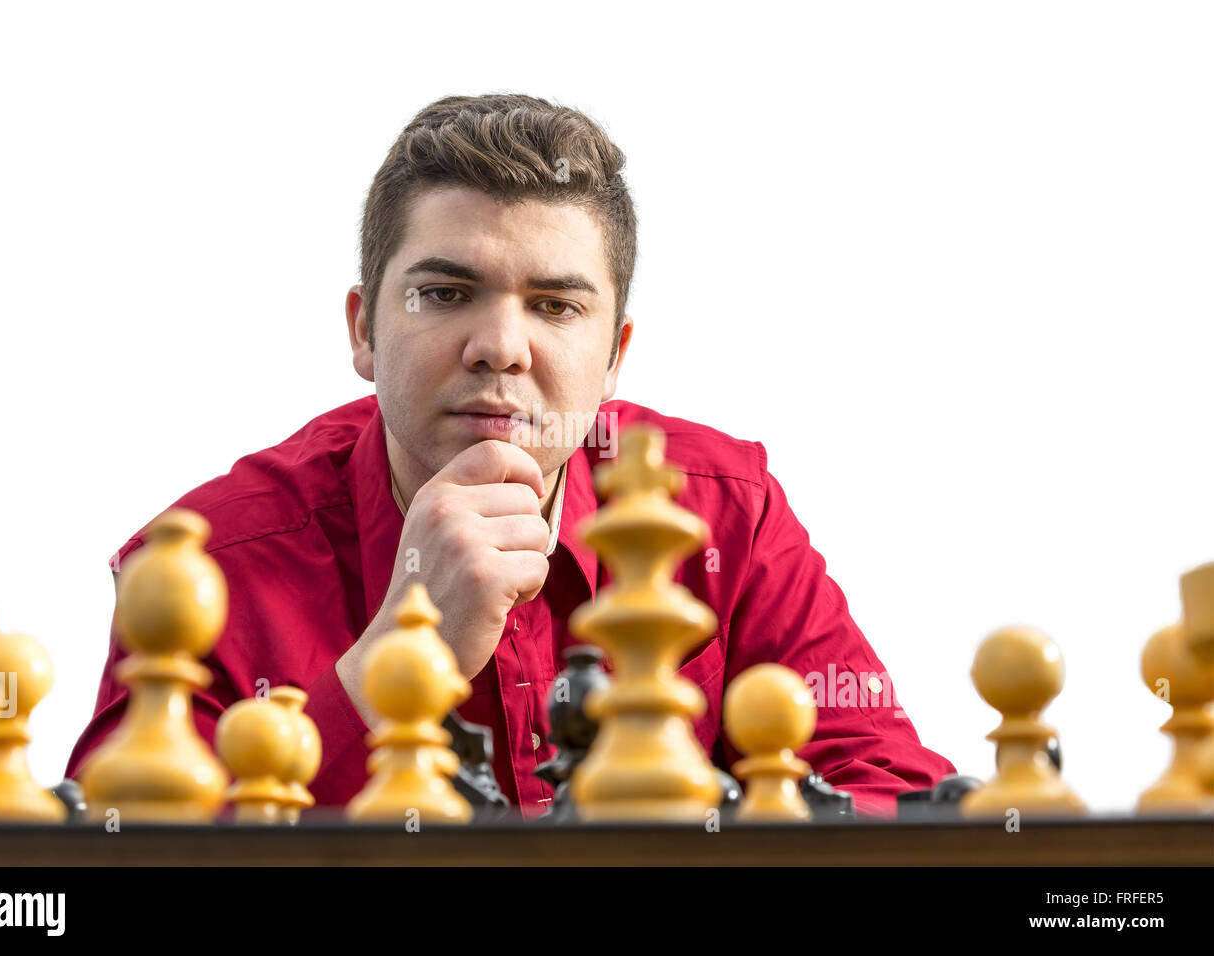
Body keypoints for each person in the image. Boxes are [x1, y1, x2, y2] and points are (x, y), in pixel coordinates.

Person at [66, 93, 955, 818]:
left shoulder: (728, 513)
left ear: (616, 356)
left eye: (557, 306)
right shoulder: (202, 569)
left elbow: (896, 798)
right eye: (445, 293)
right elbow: (108, 860)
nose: (500, 347)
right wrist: (389, 669)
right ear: (363, 330)